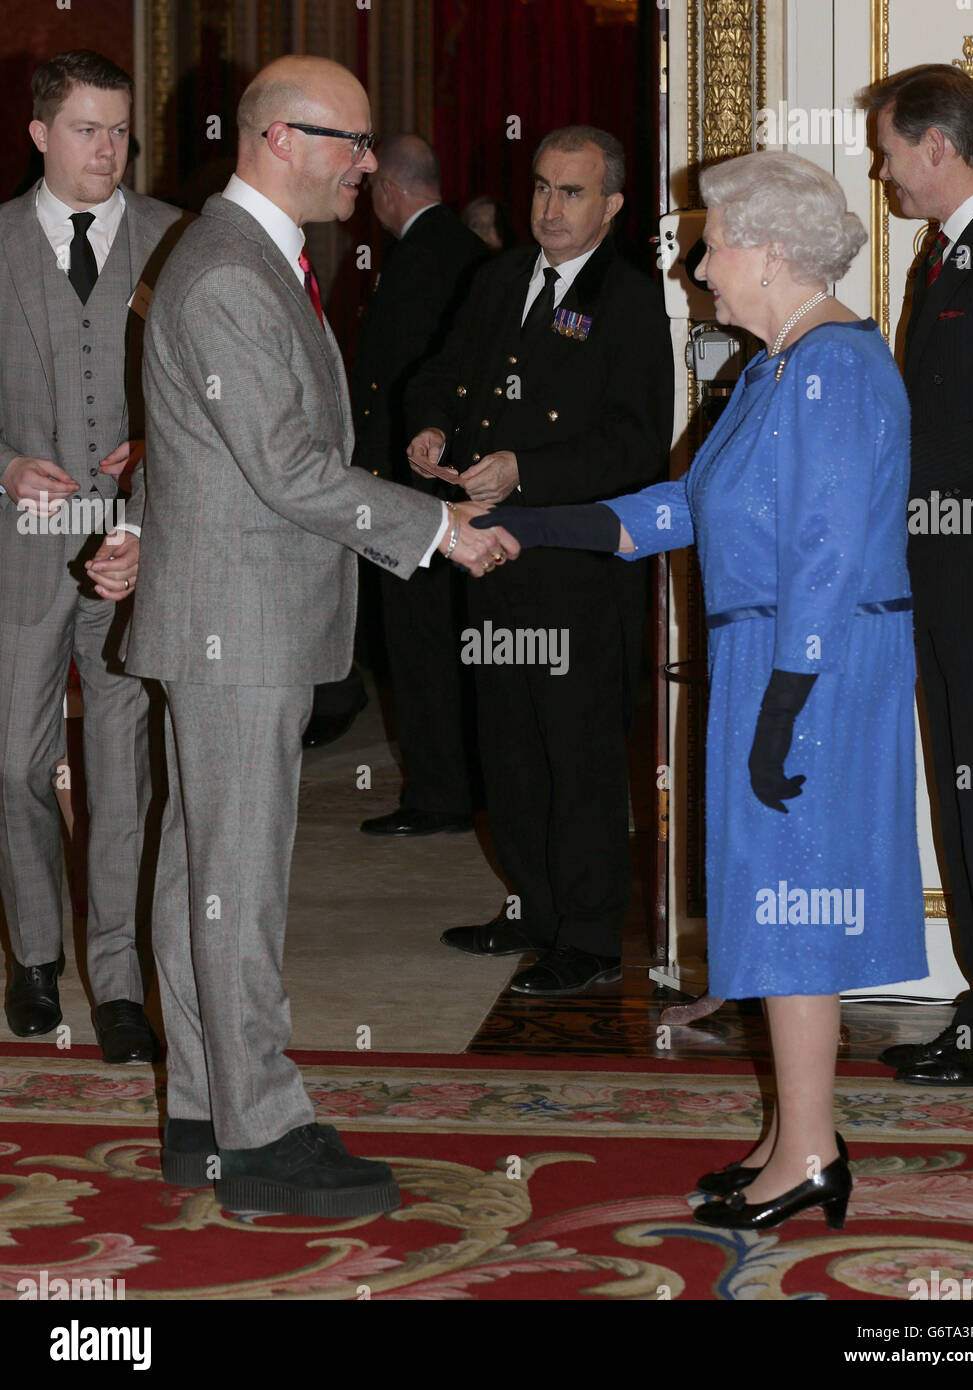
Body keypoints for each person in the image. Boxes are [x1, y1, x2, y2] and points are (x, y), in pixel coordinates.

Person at [476, 151, 928, 1230]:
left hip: (807, 664)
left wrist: (785, 704)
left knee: (798, 899)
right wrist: (526, 525)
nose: (697, 261)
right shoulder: (774, 368)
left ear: (770, 254)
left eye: (713, 241)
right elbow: (680, 507)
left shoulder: (836, 366)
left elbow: (823, 550)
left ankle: (812, 1152)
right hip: (777, 660)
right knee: (773, 897)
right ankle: (794, 1132)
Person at [125, 55, 516, 1219]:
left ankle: (203, 1111)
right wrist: (436, 528)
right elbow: (289, 467)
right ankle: (259, 1130)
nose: (365, 164)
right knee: (232, 883)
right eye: (346, 142)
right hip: (235, 628)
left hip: (231, 616)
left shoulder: (244, 259)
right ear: (276, 139)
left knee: (203, 870)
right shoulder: (232, 274)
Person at [406, 125, 673, 995]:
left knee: (578, 753)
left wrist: (530, 470)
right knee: (509, 747)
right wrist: (431, 425)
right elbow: (442, 372)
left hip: (574, 568)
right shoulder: (495, 280)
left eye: (572, 193)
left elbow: (637, 444)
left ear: (612, 207)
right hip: (488, 556)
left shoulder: (628, 299)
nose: (549, 208)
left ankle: (590, 936)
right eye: (542, 188)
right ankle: (533, 907)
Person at [0, 50, 185, 1062]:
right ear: (39, 134)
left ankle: (117, 979)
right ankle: (33, 950)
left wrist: (157, 448)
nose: (107, 150)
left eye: (120, 131)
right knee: (10, 763)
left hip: (133, 539)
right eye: (86, 129)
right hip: (16, 546)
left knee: (124, 770)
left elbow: (212, 391)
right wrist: (5, 464)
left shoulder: (176, 241)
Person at [858, 66, 973, 1087]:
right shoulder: (947, 259)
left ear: (936, 146)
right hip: (951, 575)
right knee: (969, 799)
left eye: (887, 151)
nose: (882, 170)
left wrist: (893, 463)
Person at [350, 134, 488, 835]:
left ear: (387, 192)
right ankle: (464, 782)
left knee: (420, 648)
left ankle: (438, 794)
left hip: (410, 489)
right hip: (455, 486)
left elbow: (396, 384)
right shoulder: (467, 252)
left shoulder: (415, 259)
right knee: (452, 645)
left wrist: (365, 475)